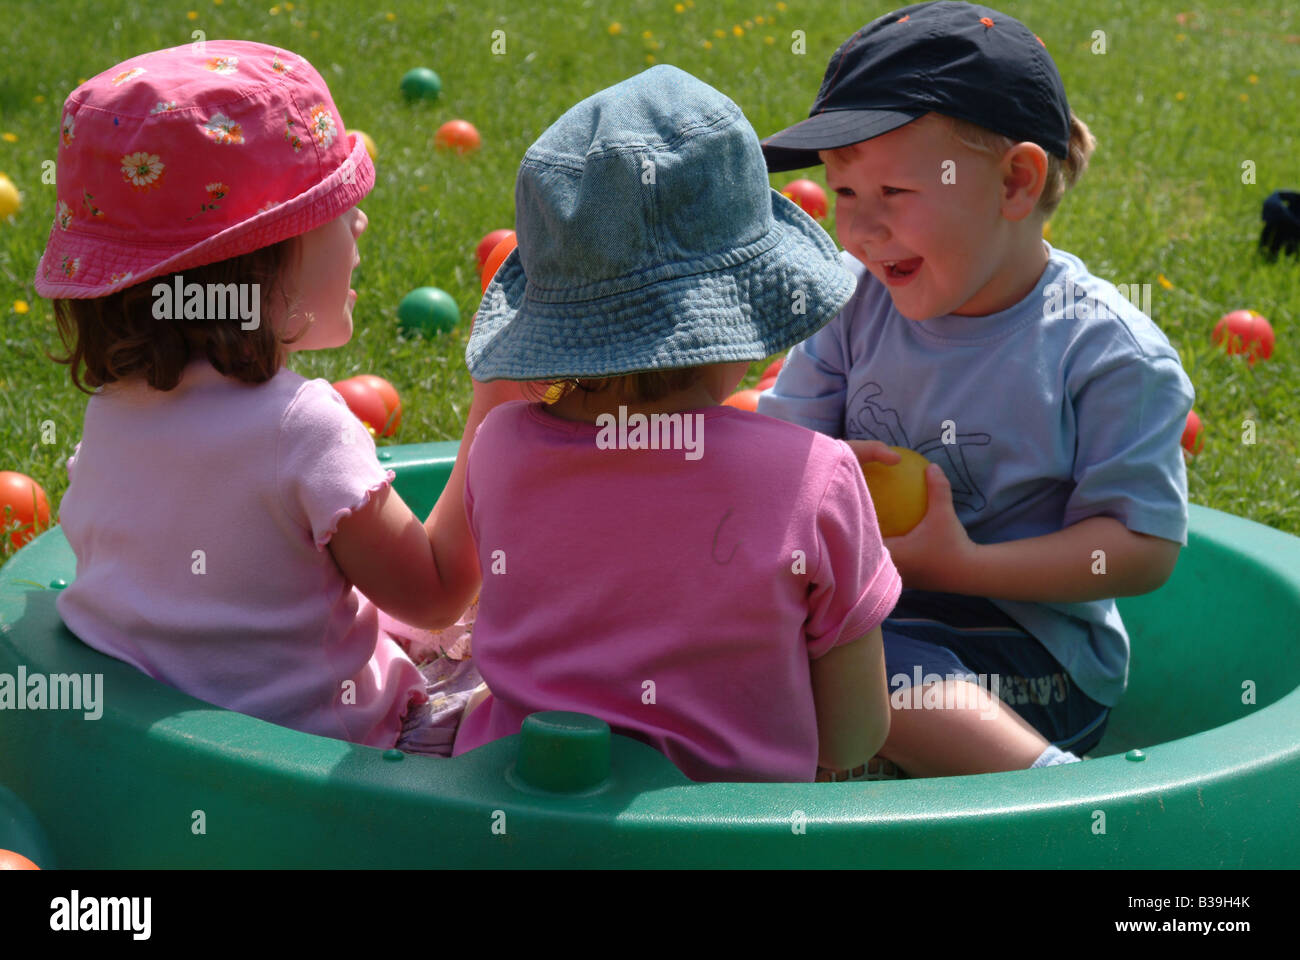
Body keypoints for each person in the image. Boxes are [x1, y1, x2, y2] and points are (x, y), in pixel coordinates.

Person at [758, 1, 1195, 777]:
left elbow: (1140, 549)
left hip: (1033, 655)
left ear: (1015, 182)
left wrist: (958, 567)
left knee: (867, 662)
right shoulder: (852, 305)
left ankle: (1049, 795)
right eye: (845, 193)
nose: (861, 230)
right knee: (753, 637)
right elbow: (775, 454)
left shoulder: (1104, 352)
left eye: (892, 193)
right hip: (866, 606)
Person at [36, 40, 498, 756]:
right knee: (524, 675)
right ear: (259, 259)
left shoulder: (113, 410)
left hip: (176, 758)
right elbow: (436, 590)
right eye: (337, 208)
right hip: (341, 758)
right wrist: (492, 401)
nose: (361, 223)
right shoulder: (303, 427)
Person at [450, 65, 901, 783]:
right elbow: (851, 737)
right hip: (727, 840)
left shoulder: (499, 447)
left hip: (513, 812)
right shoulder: (817, 479)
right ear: (748, 307)